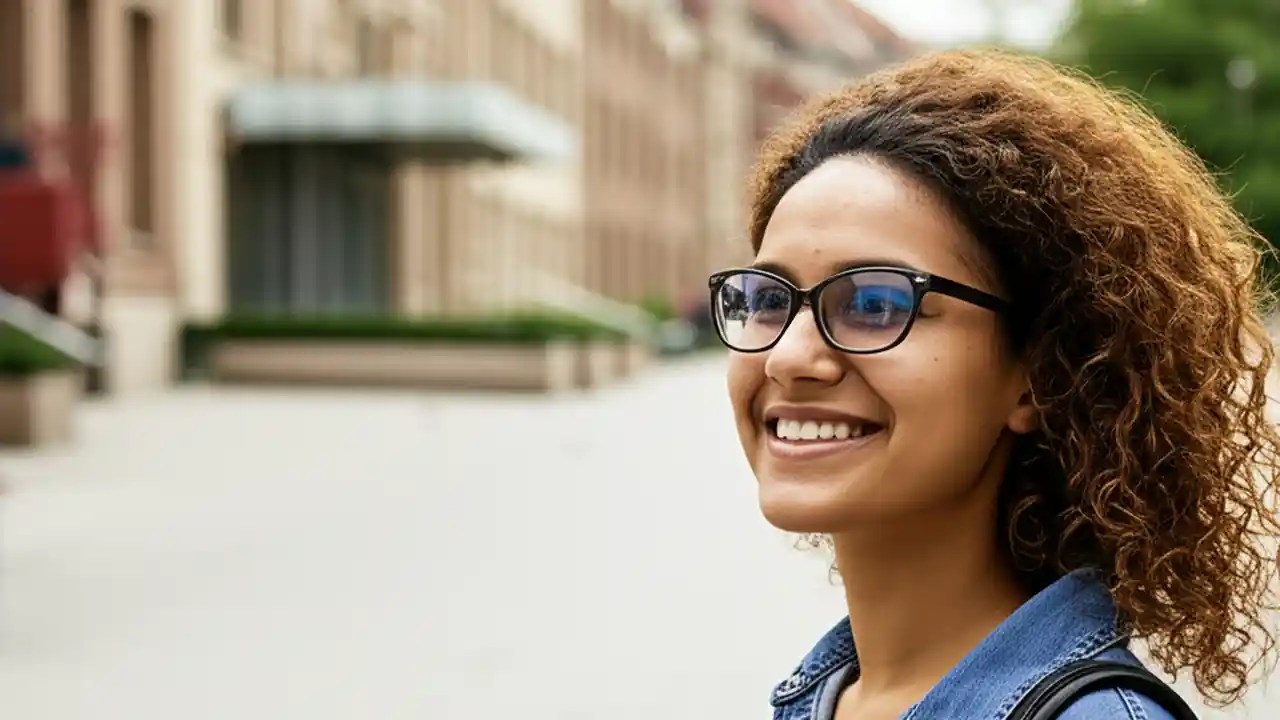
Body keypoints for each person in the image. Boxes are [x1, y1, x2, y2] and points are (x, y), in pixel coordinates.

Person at [710, 49, 1280, 720]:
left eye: (874, 304)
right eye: (769, 299)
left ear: (1036, 377)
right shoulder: (829, 698)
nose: (789, 356)